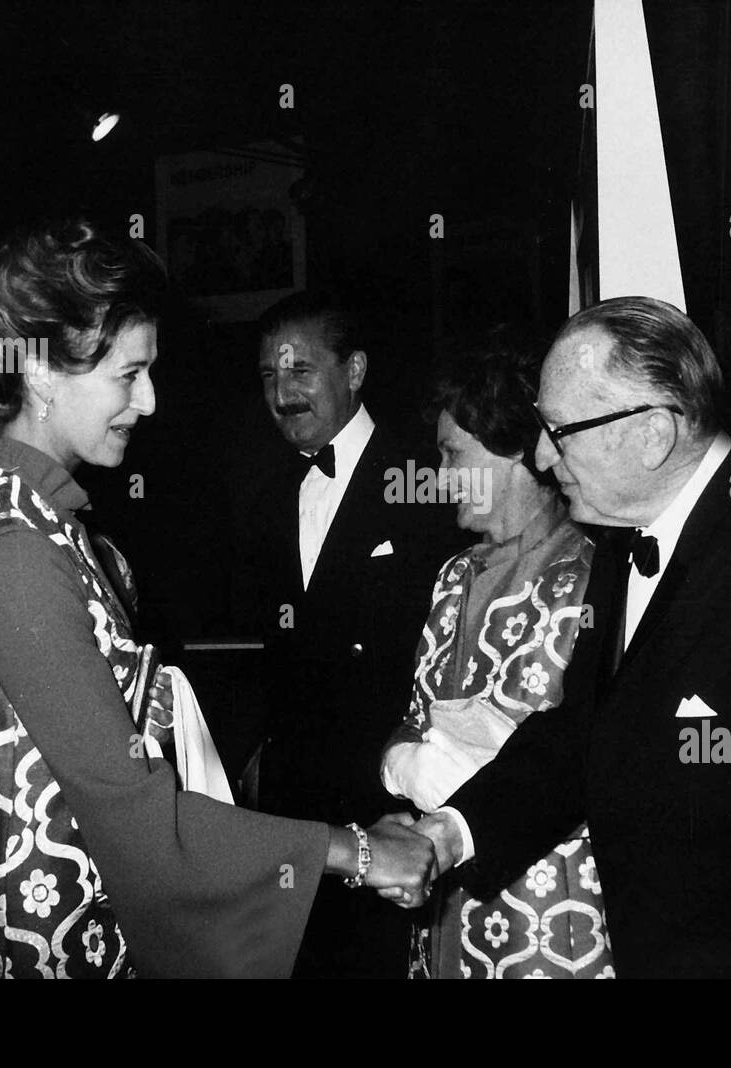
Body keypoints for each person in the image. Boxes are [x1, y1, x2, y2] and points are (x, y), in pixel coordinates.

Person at [0, 219, 434, 979]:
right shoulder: (17, 551)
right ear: (43, 374)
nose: (149, 401)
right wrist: (358, 851)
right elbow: (145, 829)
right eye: (129, 375)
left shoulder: (12, 506)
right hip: (42, 946)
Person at [399, 296, 731, 978]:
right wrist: (448, 833)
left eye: (559, 431)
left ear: (653, 433)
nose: (544, 458)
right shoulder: (622, 547)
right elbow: (580, 734)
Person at [381, 326, 615, 979]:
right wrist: (401, 762)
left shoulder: (589, 574)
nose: (439, 476)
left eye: (453, 455)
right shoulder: (454, 576)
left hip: (551, 896)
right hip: (447, 890)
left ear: (511, 448)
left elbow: (569, 752)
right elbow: (416, 713)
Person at [246, 290, 465, 977]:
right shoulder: (260, 488)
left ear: (356, 370)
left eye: (300, 371)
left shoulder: (430, 477)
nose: (282, 394)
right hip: (292, 816)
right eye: (269, 377)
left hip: (391, 812)